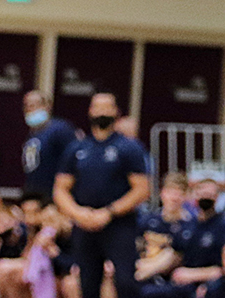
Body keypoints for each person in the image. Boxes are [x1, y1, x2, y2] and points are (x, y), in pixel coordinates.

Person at [54, 93, 150, 298]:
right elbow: (60, 189)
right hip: (84, 225)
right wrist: (78, 213)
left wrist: (109, 212)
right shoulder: (77, 148)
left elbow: (142, 189)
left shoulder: (129, 147)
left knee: (125, 282)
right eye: (98, 107)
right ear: (90, 111)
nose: (102, 112)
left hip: (118, 224)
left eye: (107, 107)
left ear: (116, 112)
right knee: (87, 283)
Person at [20, 92, 76, 204]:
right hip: (35, 195)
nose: (29, 109)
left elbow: (73, 162)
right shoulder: (33, 133)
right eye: (27, 105)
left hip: (54, 196)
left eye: (34, 105)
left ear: (47, 106)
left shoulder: (60, 129)